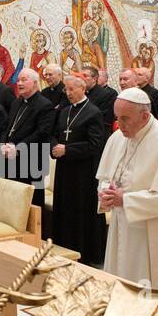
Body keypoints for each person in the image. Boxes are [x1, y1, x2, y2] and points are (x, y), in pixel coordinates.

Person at [96, 88, 158, 293]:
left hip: (156, 230)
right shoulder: (117, 138)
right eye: (117, 117)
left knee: (152, 291)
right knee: (122, 282)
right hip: (122, 224)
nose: (120, 124)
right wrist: (106, 192)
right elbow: (106, 178)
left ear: (144, 116)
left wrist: (126, 200)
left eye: (125, 119)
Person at [50, 73, 107, 264]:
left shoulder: (94, 113)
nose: (68, 93)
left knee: (81, 211)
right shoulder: (64, 111)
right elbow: (55, 135)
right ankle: (66, 249)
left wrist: (67, 149)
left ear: (82, 89)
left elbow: (95, 144)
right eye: (66, 89)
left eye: (71, 89)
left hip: (84, 173)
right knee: (65, 208)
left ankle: (85, 253)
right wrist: (54, 147)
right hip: (65, 170)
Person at [0, 69, 55, 202]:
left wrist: (18, 148)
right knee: (12, 200)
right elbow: (7, 127)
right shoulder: (16, 103)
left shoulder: (45, 105)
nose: (19, 83)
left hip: (32, 162)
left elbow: (42, 133)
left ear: (35, 83)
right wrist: (3, 144)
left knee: (32, 203)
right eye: (18, 80)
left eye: (24, 80)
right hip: (11, 160)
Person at [84, 66, 117, 134]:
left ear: (95, 78)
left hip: (97, 133)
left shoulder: (108, 94)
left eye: (85, 76)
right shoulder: (82, 93)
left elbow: (105, 120)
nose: (82, 79)